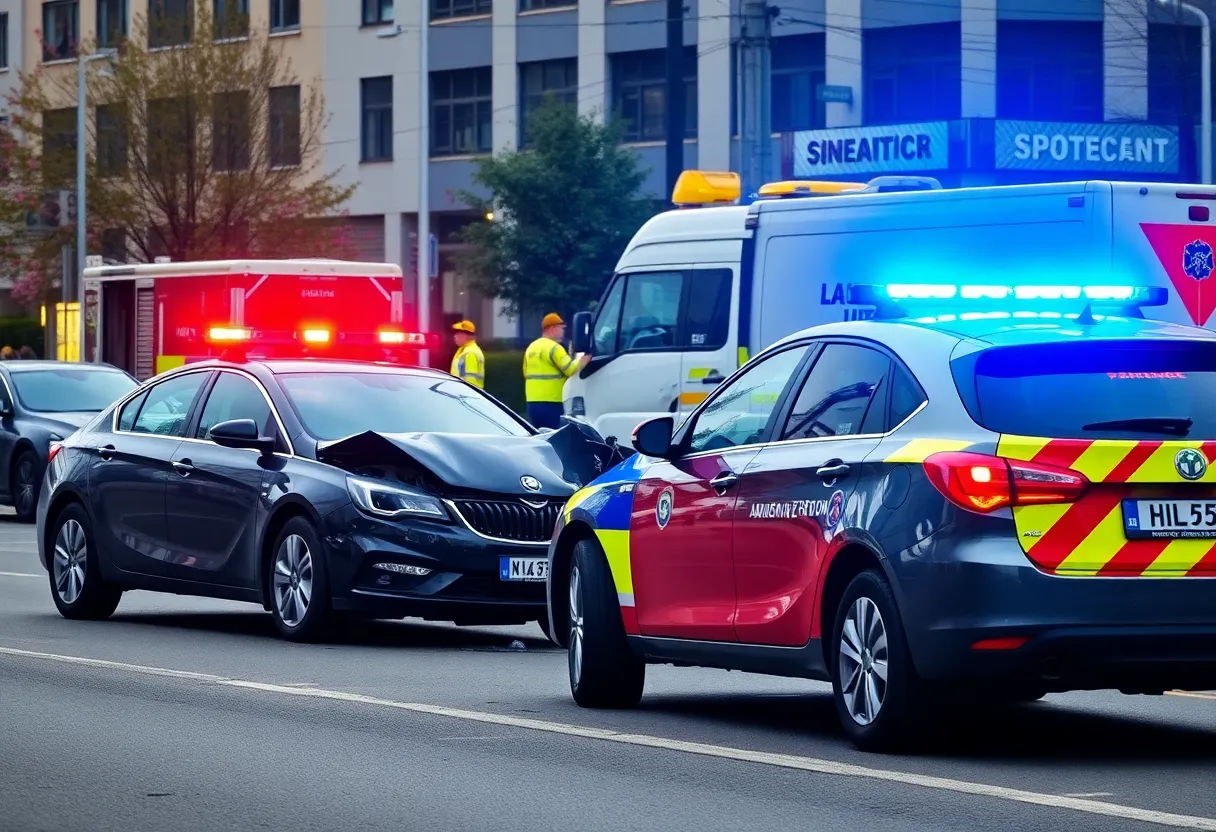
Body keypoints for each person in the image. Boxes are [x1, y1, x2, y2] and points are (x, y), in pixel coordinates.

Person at [522, 313, 589, 429]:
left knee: (540, 434)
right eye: (561, 328)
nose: (563, 332)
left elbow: (525, 372)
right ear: (553, 328)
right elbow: (570, 369)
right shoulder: (554, 348)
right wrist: (583, 360)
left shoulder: (531, 347)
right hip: (552, 402)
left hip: (532, 402)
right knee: (554, 435)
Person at [449, 320, 485, 389]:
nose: (454, 336)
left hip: (466, 393)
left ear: (465, 336)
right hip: (461, 392)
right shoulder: (464, 349)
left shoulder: (470, 353)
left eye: (457, 334)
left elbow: (470, 381)